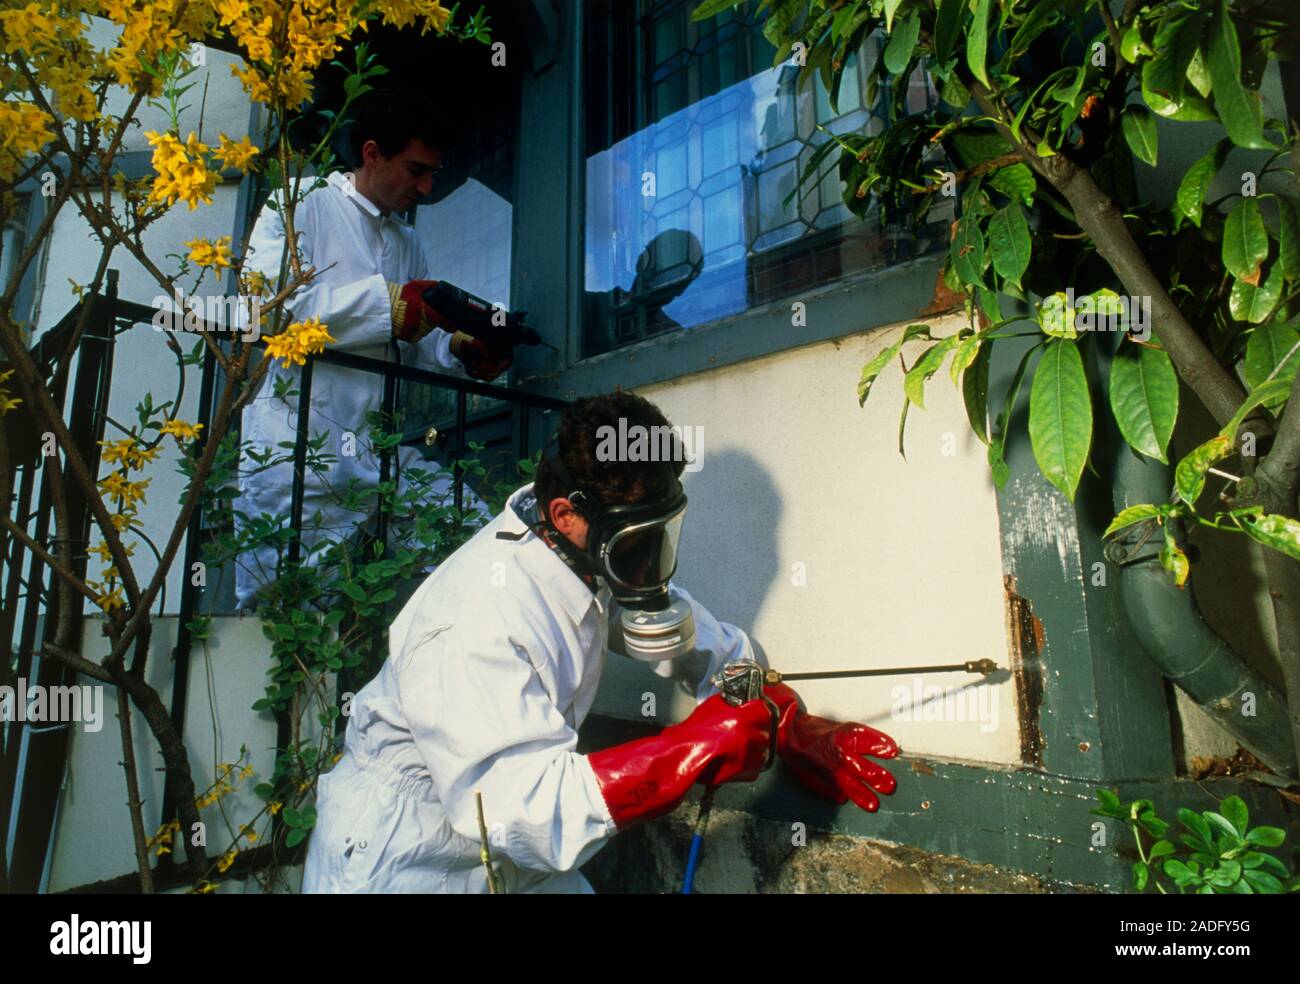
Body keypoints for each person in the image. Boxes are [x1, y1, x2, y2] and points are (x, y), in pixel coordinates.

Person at [302, 391, 899, 893]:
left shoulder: (579, 554)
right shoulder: (476, 618)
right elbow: (527, 811)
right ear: (565, 514)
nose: (651, 559)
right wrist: (687, 751)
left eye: (661, 533)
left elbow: (684, 637)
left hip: (511, 841)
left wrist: (783, 715)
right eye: (639, 539)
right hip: (406, 854)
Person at [233, 89, 511, 609]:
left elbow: (413, 341)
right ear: (371, 154)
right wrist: (390, 306)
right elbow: (267, 309)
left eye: (433, 174)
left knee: (478, 540)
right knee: (288, 621)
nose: (426, 188)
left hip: (380, 455)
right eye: (415, 171)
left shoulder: (407, 242)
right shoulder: (301, 203)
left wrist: (460, 348)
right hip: (296, 452)